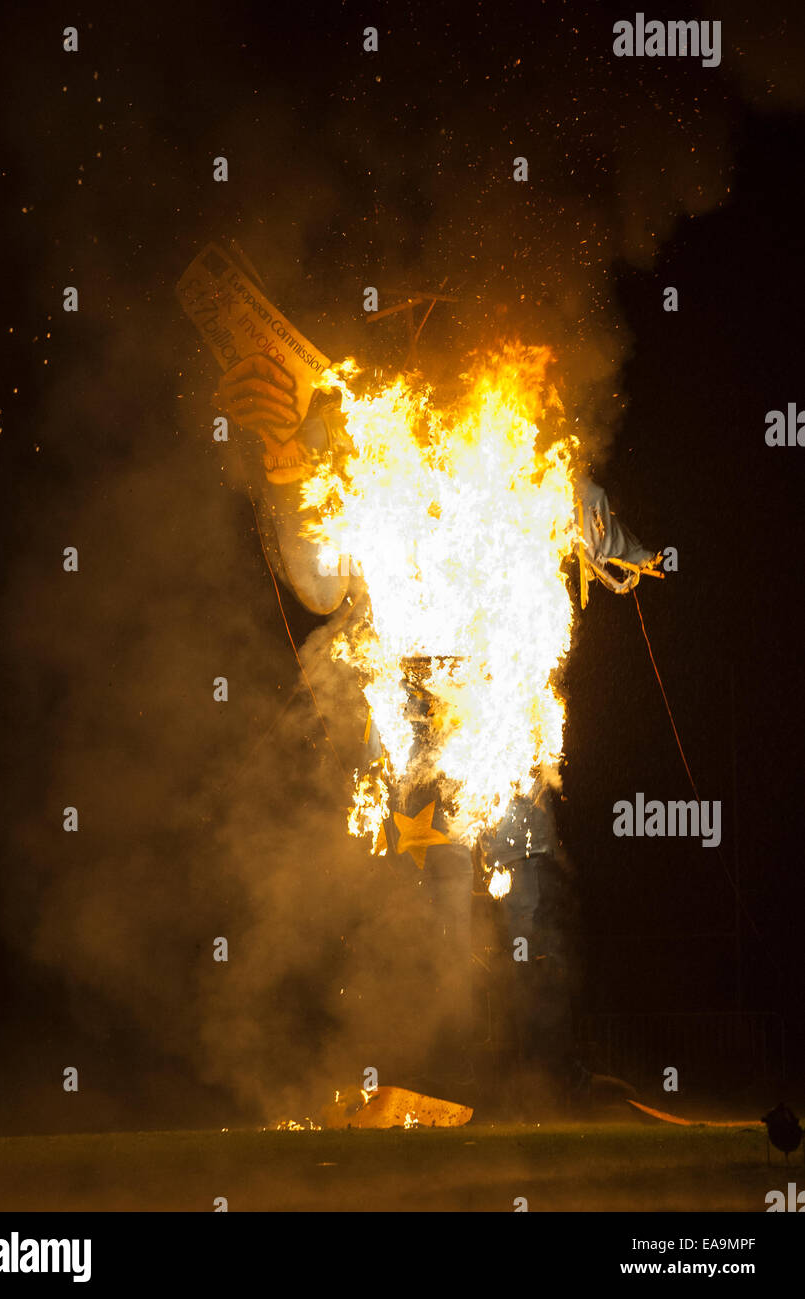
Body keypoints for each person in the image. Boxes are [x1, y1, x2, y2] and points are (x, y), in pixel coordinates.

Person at [219, 353, 658, 1113]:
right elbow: (319, 585)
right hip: (411, 701)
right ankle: (437, 1069)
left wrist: (627, 547)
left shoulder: (512, 436)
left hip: (498, 693)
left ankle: (548, 1071)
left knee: (530, 879)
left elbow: (583, 513)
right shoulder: (364, 446)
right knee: (434, 884)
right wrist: (289, 472)